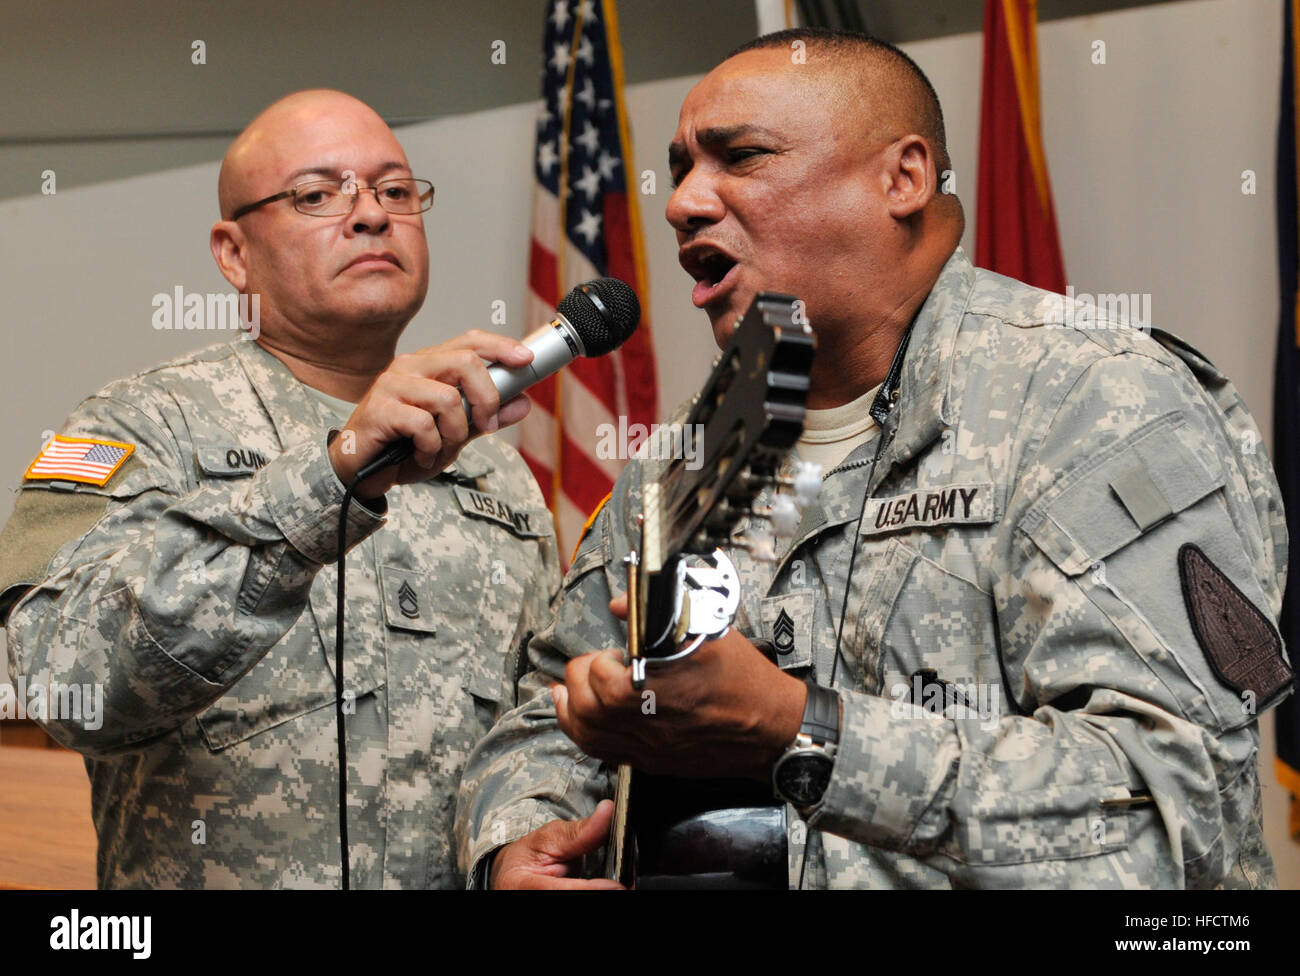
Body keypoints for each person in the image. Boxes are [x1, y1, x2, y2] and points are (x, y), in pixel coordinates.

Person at [455, 29, 1292, 889]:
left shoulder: (1096, 400)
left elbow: (1175, 813)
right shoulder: (687, 458)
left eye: (740, 157)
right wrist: (518, 842)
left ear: (903, 178)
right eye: (680, 171)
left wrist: (798, 728)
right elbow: (552, 704)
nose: (682, 204)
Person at [0, 89, 560, 888]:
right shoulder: (138, 427)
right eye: (318, 194)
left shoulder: (493, 466)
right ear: (234, 254)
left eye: (395, 190)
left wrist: (517, 838)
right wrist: (329, 477)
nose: (370, 215)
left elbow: (537, 714)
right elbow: (66, 683)